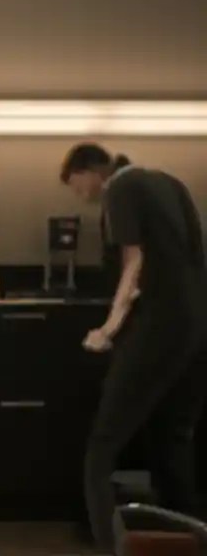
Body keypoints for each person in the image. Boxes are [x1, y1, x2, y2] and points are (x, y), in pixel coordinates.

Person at [60, 143, 207, 552]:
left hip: (159, 328)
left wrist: (107, 328)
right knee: (172, 439)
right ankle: (188, 541)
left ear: (92, 171)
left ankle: (109, 544)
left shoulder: (121, 189)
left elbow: (135, 264)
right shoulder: (169, 183)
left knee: (101, 447)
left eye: (77, 185)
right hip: (198, 328)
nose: (81, 196)